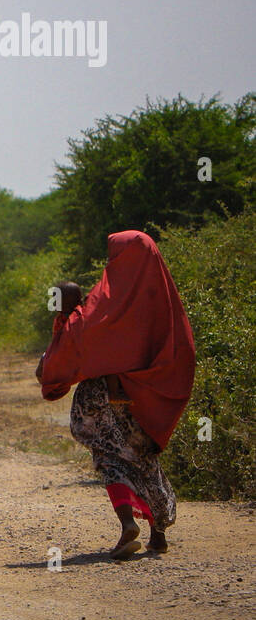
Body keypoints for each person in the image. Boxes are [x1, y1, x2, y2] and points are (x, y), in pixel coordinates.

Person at [36, 231, 196, 558]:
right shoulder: (163, 304)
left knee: (111, 459)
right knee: (144, 459)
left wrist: (53, 366)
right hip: (145, 397)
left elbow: (78, 349)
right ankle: (158, 534)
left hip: (103, 400)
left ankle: (127, 525)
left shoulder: (103, 305)